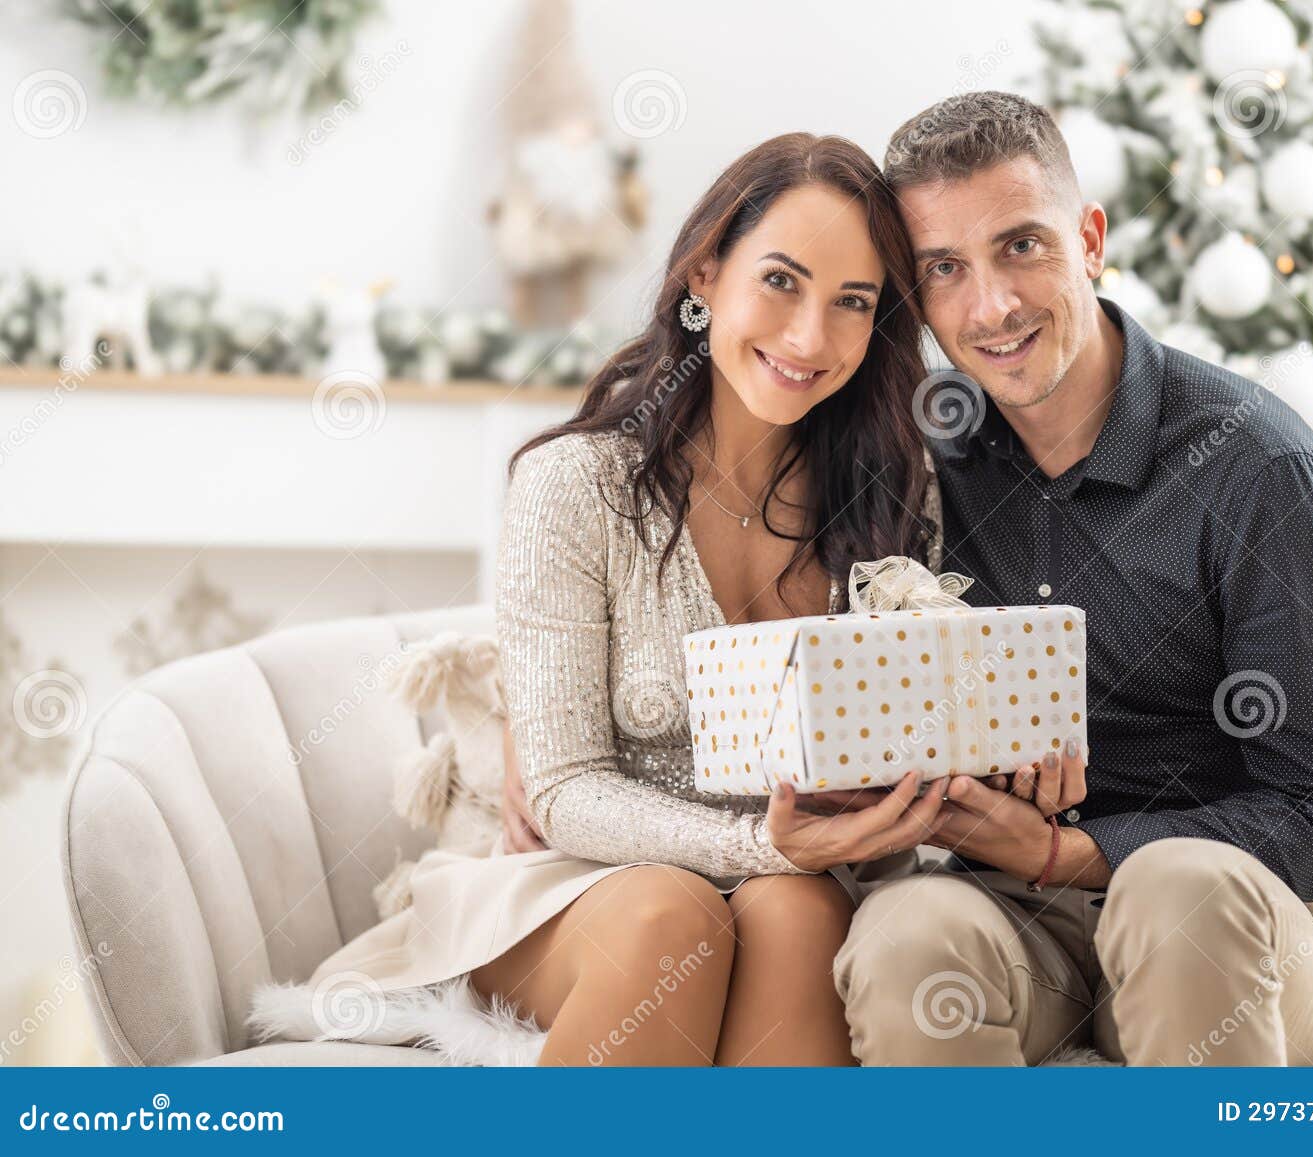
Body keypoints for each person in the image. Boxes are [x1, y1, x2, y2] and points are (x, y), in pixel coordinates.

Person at [312, 131, 1071, 1067]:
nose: (809, 337)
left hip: (791, 885)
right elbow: (562, 791)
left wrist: (963, 782)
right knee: (673, 913)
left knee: (800, 913)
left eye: (853, 301)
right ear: (705, 274)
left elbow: (889, 798)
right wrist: (763, 844)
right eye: (781, 281)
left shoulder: (892, 500)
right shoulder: (577, 484)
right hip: (575, 884)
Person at [824, 92, 1313, 1067]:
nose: (990, 307)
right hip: (1020, 924)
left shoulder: (1257, 469)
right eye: (944, 268)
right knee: (905, 933)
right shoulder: (922, 461)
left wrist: (1073, 851)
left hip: (1243, 932)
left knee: (1171, 890)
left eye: (1021, 246)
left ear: (1089, 240)